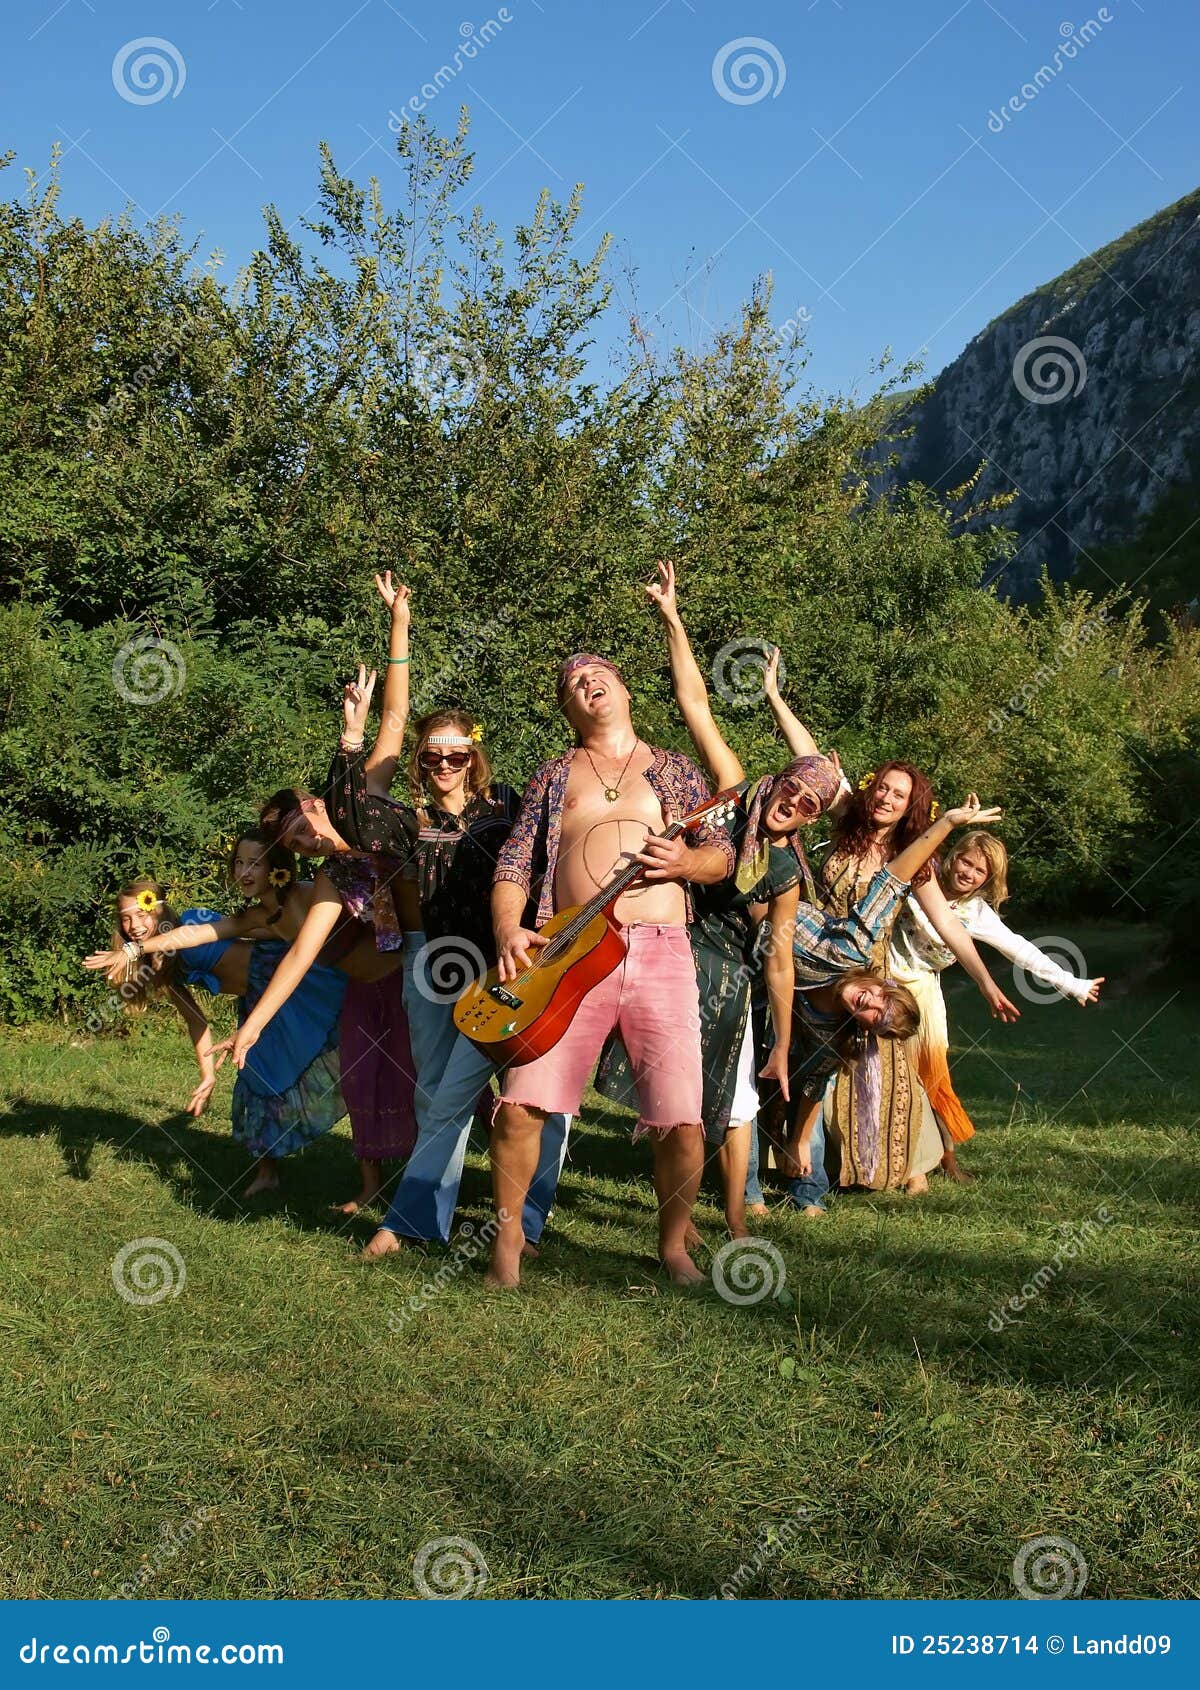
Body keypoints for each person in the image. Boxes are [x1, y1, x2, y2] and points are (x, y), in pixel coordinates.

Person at [595, 561, 842, 1236]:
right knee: (667, 1096)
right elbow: (696, 706)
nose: (794, 803)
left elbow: (780, 961)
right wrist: (671, 618)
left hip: (727, 979)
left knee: (733, 1106)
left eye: (810, 804)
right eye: (793, 788)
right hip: (665, 947)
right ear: (780, 779)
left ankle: (734, 1221)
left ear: (815, 817)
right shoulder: (733, 796)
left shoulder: (786, 873)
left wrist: (782, 1044)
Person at [488, 651, 737, 1287]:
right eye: (574, 682)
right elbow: (514, 862)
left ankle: (673, 1246)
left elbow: (722, 856)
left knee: (681, 1119)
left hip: (661, 950)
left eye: (599, 674)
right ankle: (507, 1244)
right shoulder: (553, 777)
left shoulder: (675, 771)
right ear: (567, 710)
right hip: (568, 953)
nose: (588, 682)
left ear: (625, 691)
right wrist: (508, 928)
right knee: (521, 1106)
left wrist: (685, 864)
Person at [304, 664, 570, 1257]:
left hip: (509, 961)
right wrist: (353, 737)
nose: (443, 765)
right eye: (431, 756)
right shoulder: (409, 822)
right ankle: (425, 1215)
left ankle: (526, 1221)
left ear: (474, 756)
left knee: (535, 1092)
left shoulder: (509, 807)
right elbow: (349, 815)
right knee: (436, 1091)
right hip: (437, 961)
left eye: (455, 755)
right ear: (421, 763)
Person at [769, 688, 1021, 1194]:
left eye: (898, 795)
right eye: (882, 788)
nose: (886, 798)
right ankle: (803, 1164)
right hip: (813, 956)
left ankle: (906, 1167)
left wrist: (986, 982)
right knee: (807, 1061)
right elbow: (810, 758)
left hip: (869, 968)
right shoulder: (848, 820)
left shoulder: (912, 857)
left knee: (880, 1072)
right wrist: (775, 695)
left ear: (910, 807)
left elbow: (949, 924)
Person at [83, 842, 349, 1195]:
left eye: (141, 915)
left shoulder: (190, 923)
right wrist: (207, 1075)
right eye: (126, 918)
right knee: (255, 1080)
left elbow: (246, 928)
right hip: (254, 1002)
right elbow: (196, 1021)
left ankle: (372, 1152)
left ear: (158, 911)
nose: (133, 925)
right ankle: (267, 1173)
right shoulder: (160, 968)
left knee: (335, 1049)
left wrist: (135, 950)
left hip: (287, 980)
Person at [888, 829, 1103, 1147]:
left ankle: (945, 1153)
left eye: (980, 871)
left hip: (921, 988)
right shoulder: (921, 872)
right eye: (966, 862)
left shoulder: (976, 913)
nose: (969, 874)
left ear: (987, 880)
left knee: (932, 1069)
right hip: (881, 976)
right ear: (953, 857)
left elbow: (1019, 949)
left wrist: (1071, 983)